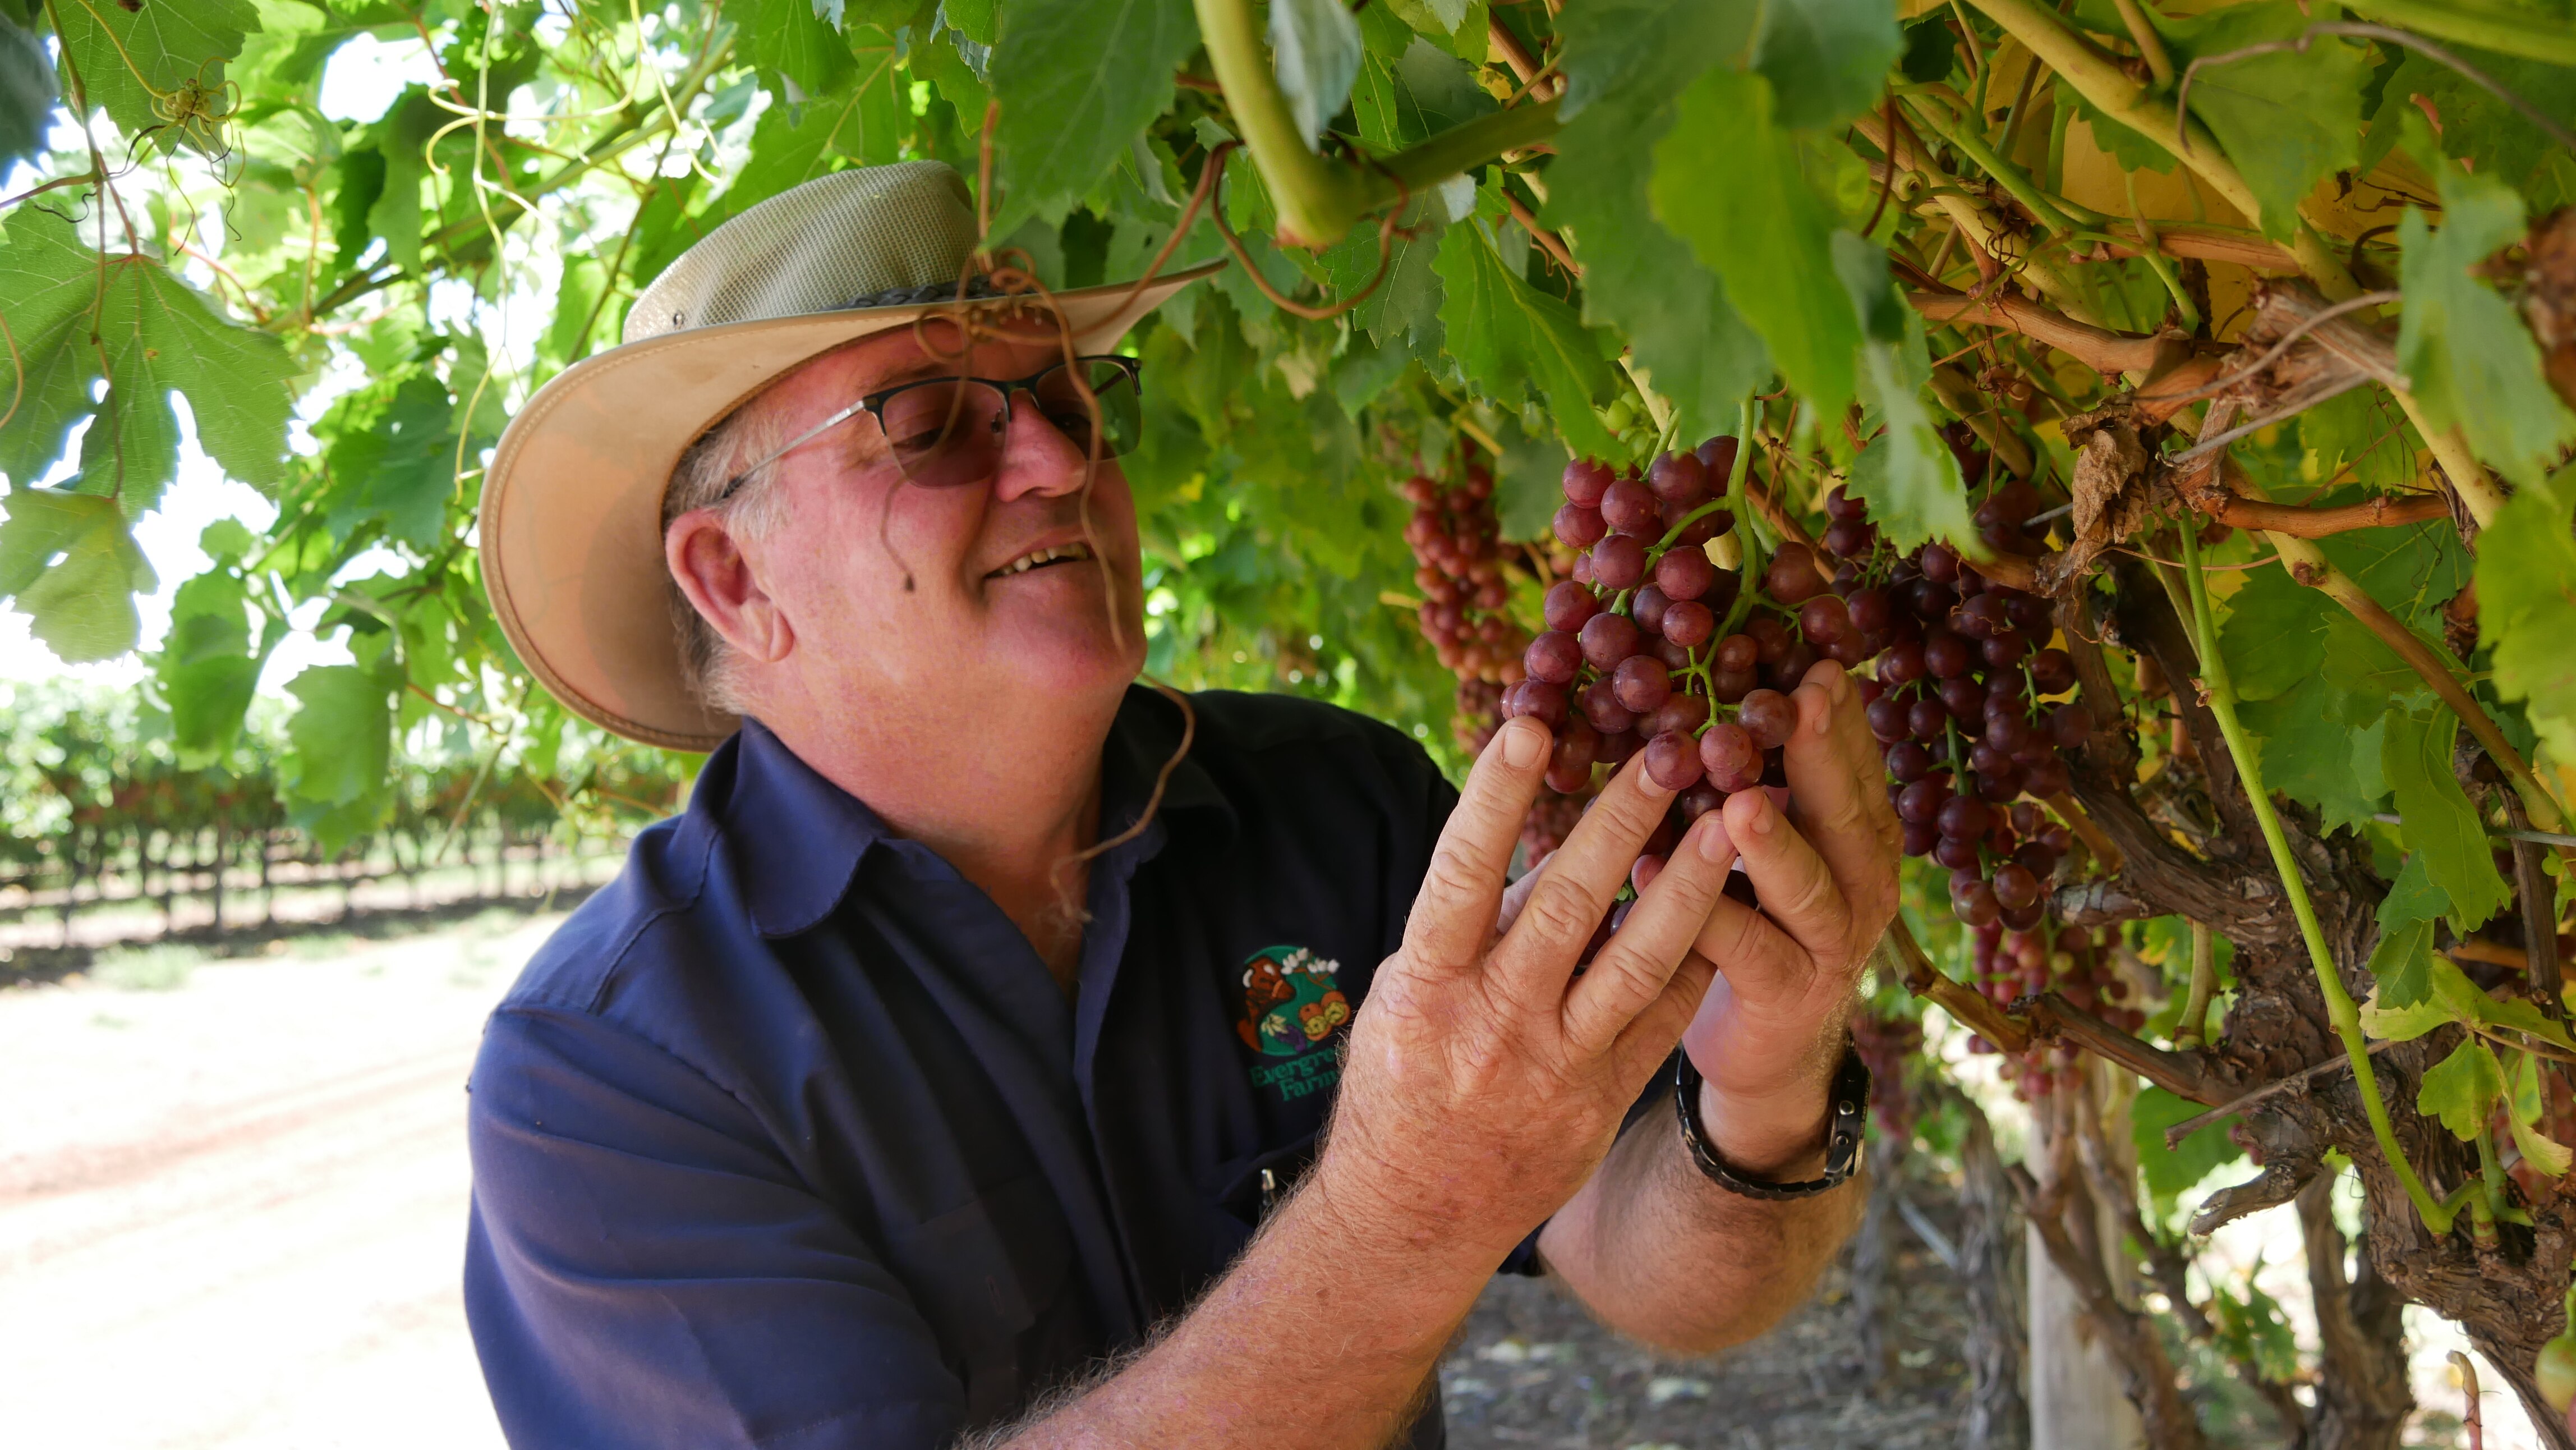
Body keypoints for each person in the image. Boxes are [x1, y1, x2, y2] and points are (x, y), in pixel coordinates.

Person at [464, 160, 1901, 1449]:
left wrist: (1765, 1089)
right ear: (731, 578)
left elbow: (1655, 1268)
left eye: (1069, 400)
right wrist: (1406, 1211)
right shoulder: (607, 1079)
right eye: (936, 423)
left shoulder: (1336, 805)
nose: (1059, 458)